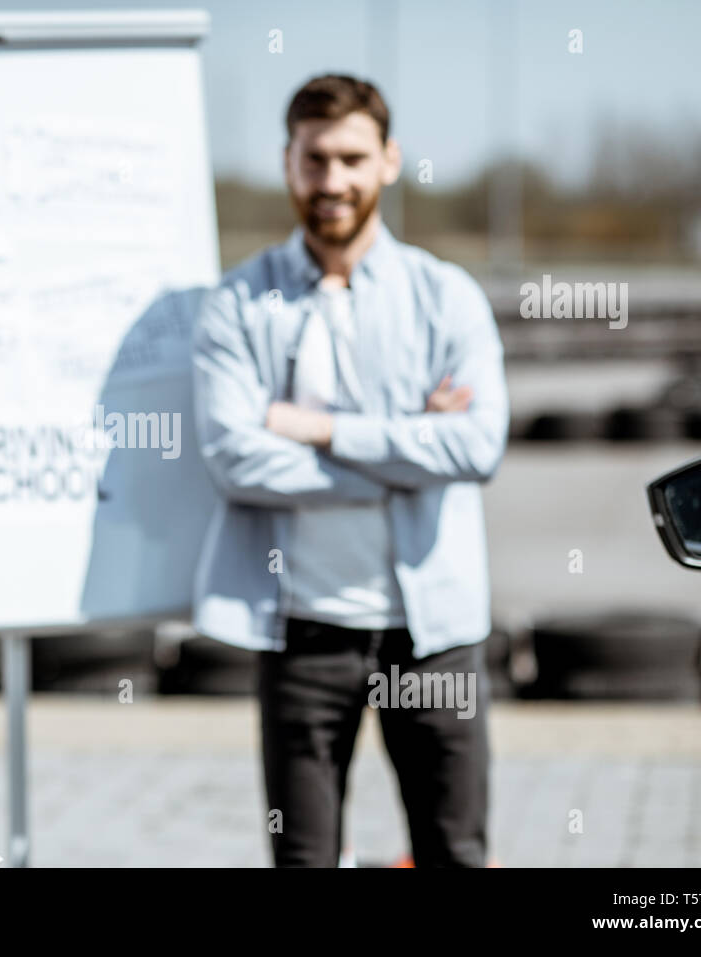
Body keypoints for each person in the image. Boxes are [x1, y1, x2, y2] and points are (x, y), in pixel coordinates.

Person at [191, 75, 509, 867]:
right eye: (315, 158)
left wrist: (321, 430)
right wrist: (404, 454)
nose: (333, 180)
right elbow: (234, 457)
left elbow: (477, 446)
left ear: (389, 161)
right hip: (303, 633)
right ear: (288, 161)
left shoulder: (447, 297)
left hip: (434, 633)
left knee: (456, 851)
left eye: (352, 158)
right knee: (303, 859)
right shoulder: (237, 302)